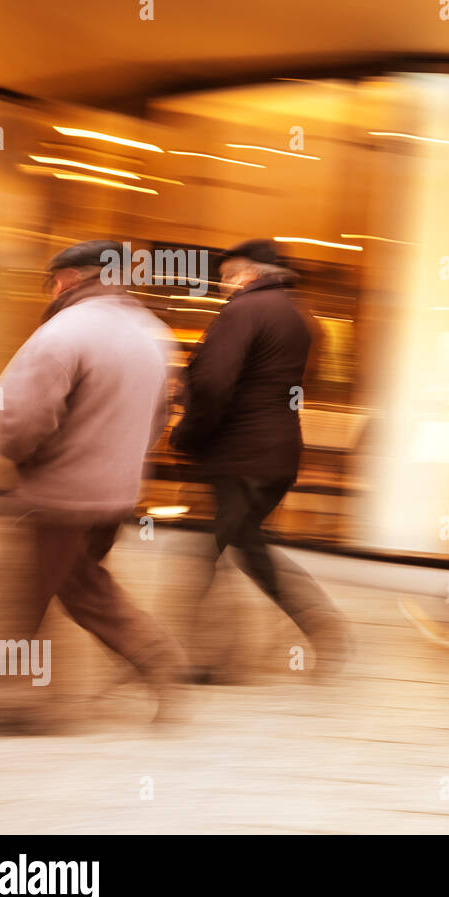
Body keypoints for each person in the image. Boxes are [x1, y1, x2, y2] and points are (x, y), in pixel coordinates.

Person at [0, 240, 186, 726]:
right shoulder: (153, 334)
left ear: (68, 279)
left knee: (21, 595)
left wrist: (8, 456)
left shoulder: (64, 331)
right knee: (81, 587)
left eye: (52, 281)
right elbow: (159, 417)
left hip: (56, 494)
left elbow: (20, 417)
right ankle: (152, 664)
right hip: (113, 496)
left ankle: (12, 700)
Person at [171, 239, 350, 682]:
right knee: (246, 547)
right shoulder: (303, 317)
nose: (224, 285)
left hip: (239, 455)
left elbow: (213, 383)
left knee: (211, 552)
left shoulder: (243, 312)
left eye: (229, 275)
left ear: (248, 273)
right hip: (278, 453)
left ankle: (210, 660)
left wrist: (187, 435)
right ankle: (309, 632)